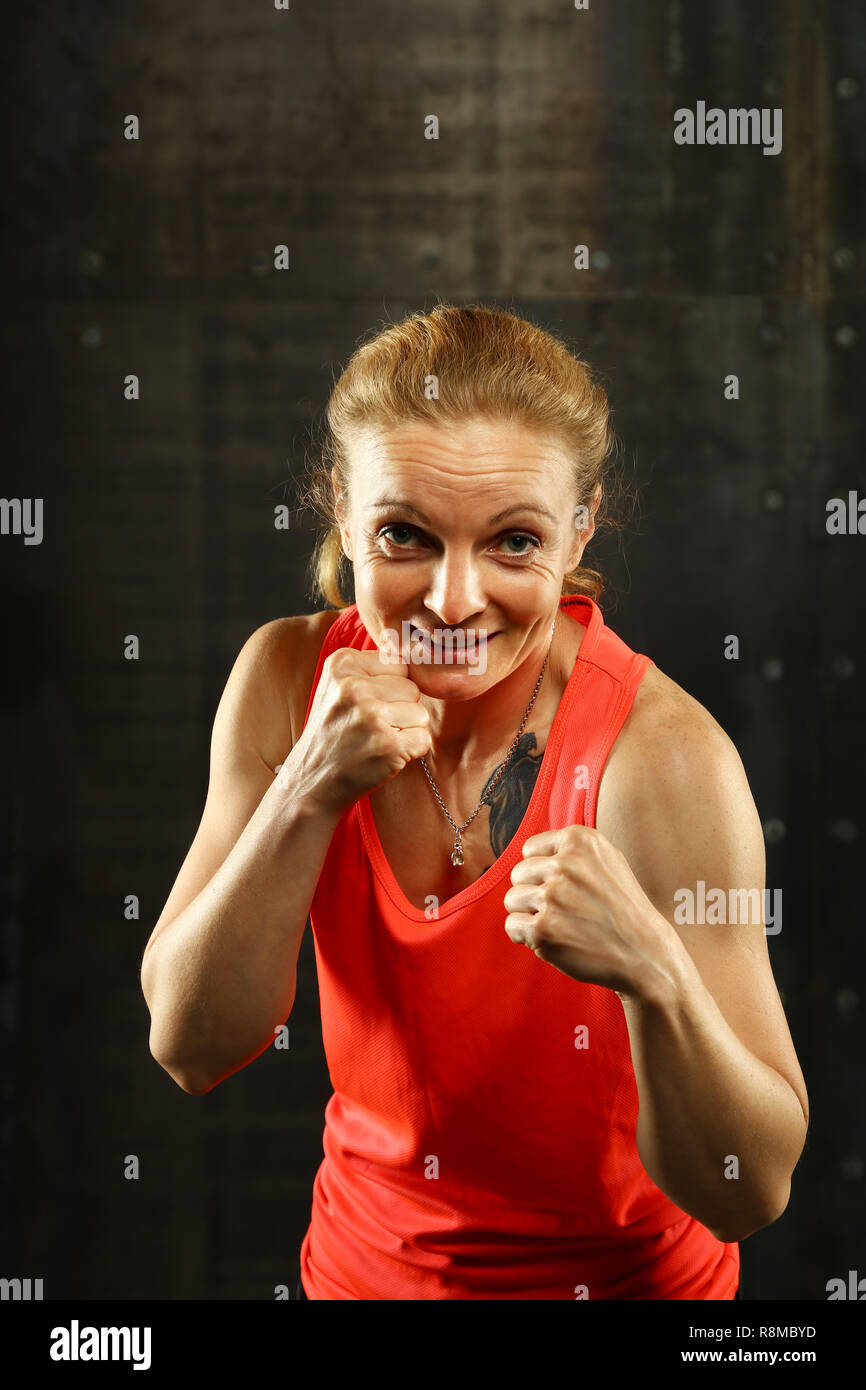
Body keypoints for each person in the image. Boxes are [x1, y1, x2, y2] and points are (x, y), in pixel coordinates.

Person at [141, 303, 809, 1300]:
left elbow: (745, 1190)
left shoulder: (662, 758)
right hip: (357, 1279)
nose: (453, 601)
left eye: (512, 542)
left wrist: (657, 979)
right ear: (339, 506)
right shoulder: (287, 681)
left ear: (580, 524)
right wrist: (307, 790)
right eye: (405, 534)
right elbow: (191, 1046)